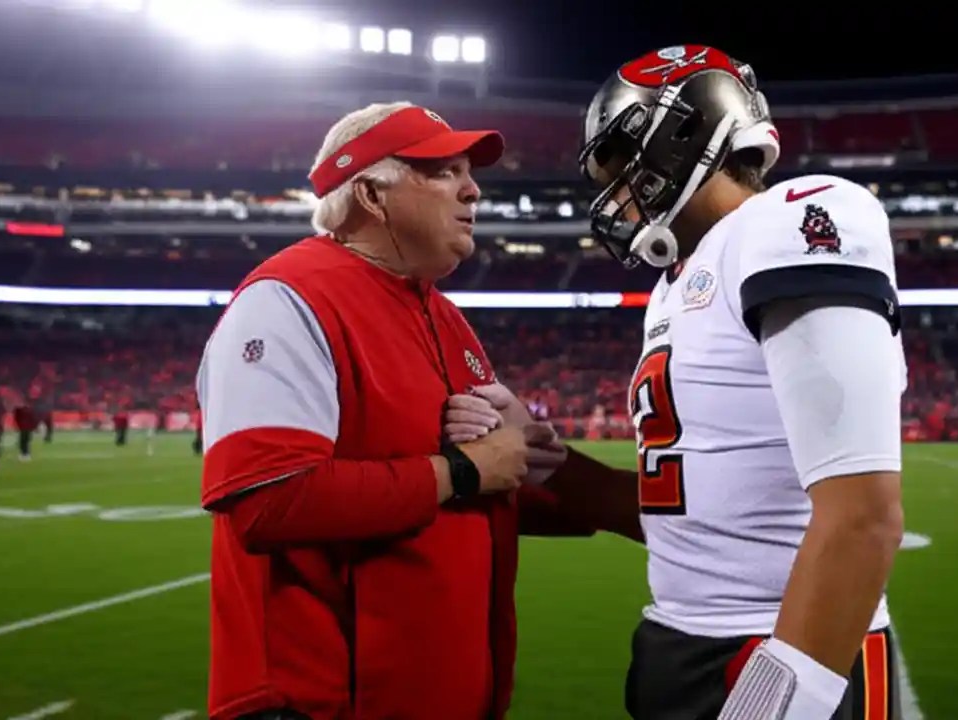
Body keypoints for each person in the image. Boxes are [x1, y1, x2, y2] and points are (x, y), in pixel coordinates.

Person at [196, 101, 636, 720]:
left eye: (468, 173)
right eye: (444, 172)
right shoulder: (288, 299)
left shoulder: (444, 317)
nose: (473, 189)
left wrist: (540, 463)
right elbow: (267, 502)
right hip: (323, 701)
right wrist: (462, 470)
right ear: (372, 195)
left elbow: (483, 489)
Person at [569, 45, 906, 719]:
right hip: (682, 643)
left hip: (780, 645)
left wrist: (779, 703)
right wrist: (544, 462)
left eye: (624, 165)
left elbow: (864, 518)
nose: (619, 195)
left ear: (680, 136)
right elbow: (701, 508)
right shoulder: (679, 282)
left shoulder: (786, 220)